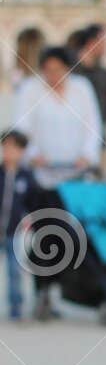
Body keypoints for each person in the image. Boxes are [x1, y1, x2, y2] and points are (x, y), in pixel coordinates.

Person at [13, 46, 101, 187]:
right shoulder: (30, 89)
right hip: (41, 173)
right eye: (49, 70)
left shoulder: (82, 88)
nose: (54, 75)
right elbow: (22, 126)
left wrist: (87, 155)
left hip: (78, 172)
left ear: (67, 69)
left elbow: (93, 125)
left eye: (58, 70)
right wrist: (32, 154)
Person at [71, 23, 106, 176]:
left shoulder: (105, 74)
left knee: (102, 189)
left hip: (99, 142)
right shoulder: (70, 70)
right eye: (103, 42)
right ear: (91, 42)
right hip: (71, 143)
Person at [0, 129, 40, 321]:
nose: (9, 152)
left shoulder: (26, 176)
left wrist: (32, 221)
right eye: (5, 147)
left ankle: (16, 306)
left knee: (14, 270)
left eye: (13, 148)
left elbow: (34, 203)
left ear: (22, 151)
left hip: (14, 232)